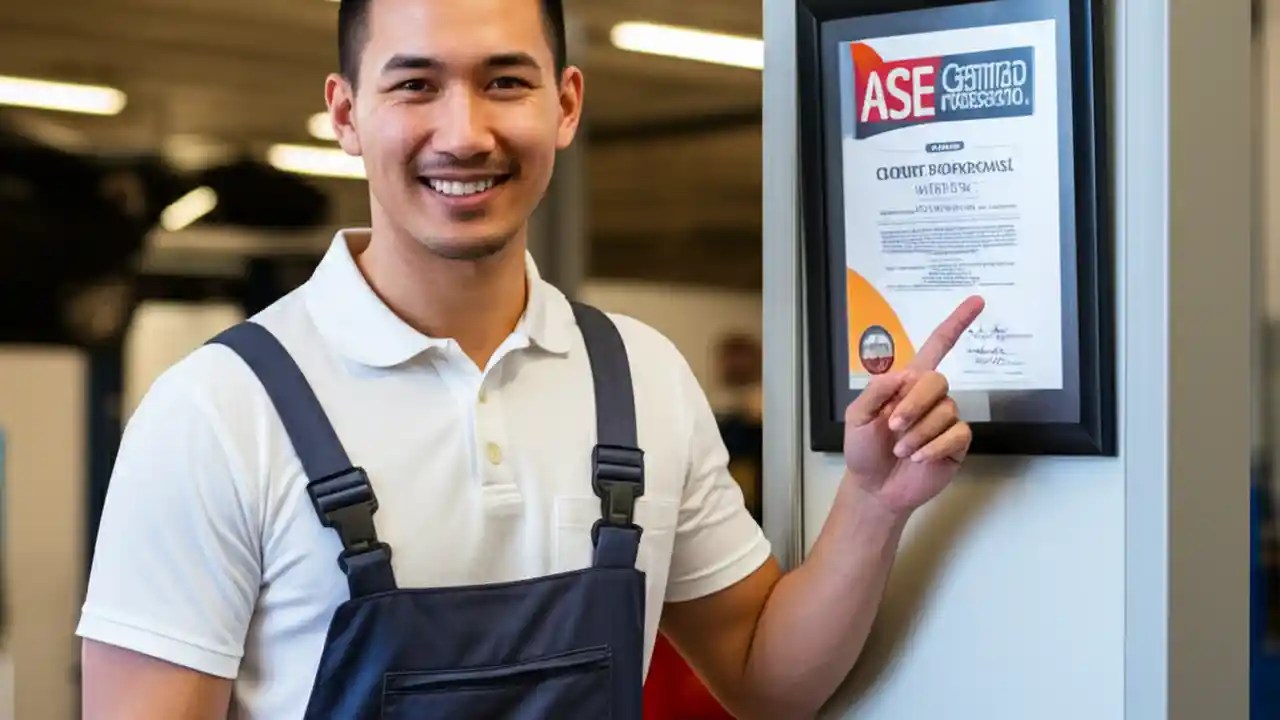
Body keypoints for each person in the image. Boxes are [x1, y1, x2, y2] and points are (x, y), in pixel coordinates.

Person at [75, 0, 985, 717]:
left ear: (567, 105)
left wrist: (874, 504)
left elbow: (766, 681)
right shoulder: (217, 411)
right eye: (416, 85)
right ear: (347, 114)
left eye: (506, 82)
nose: (465, 133)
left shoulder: (643, 380)